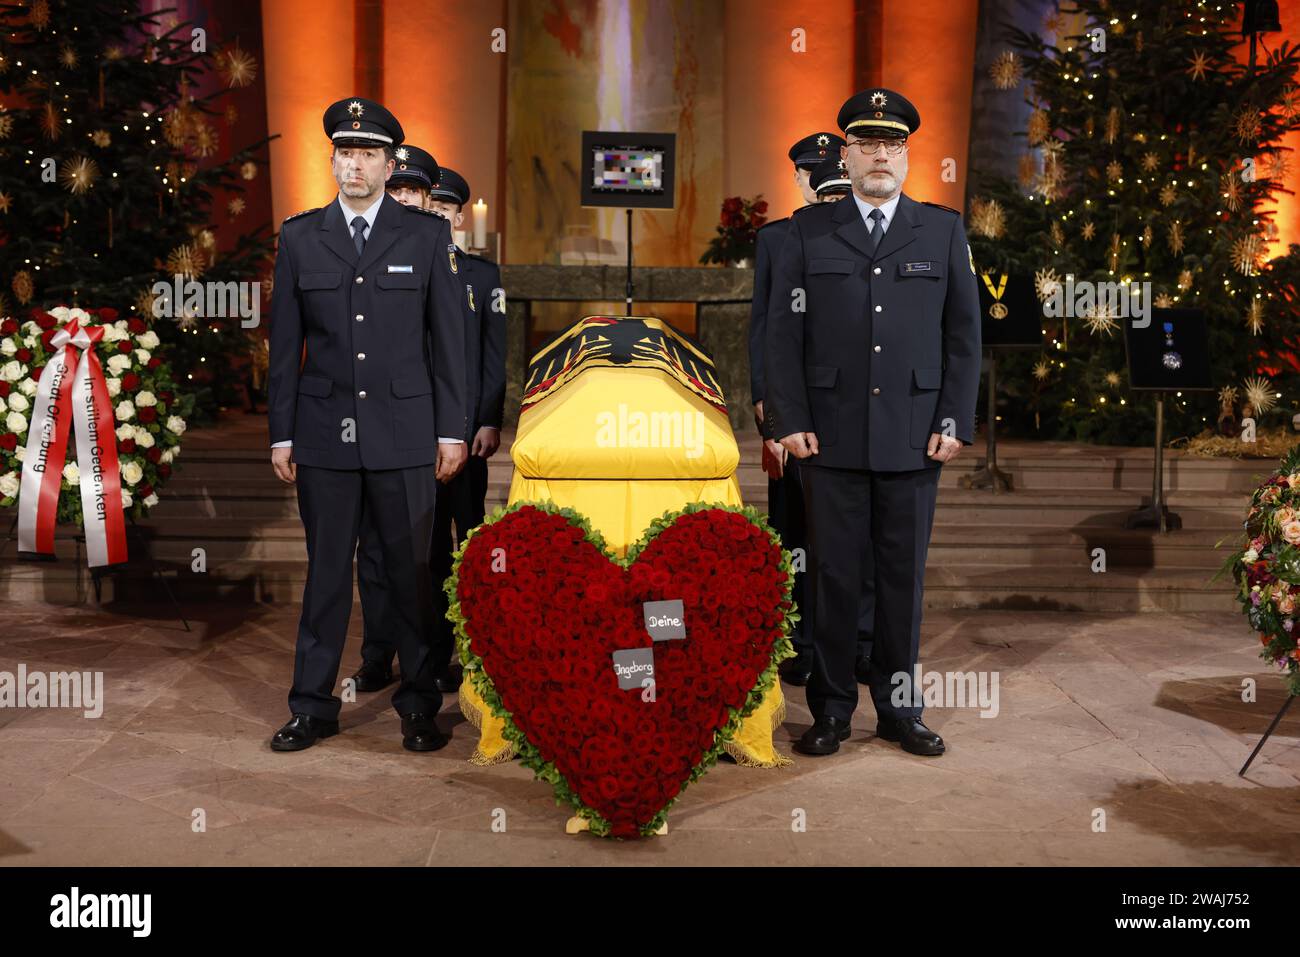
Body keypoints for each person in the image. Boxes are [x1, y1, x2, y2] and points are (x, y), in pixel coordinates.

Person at [765, 88, 981, 758]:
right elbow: (781, 334)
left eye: (893, 145)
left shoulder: (941, 230)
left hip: (915, 435)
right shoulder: (808, 233)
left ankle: (898, 709)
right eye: (868, 145)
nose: (881, 155)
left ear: (908, 157)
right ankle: (830, 709)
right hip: (827, 435)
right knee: (831, 576)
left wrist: (954, 415)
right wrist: (790, 417)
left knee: (900, 580)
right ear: (849, 156)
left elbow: (963, 336)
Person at [266, 97, 469, 753]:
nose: (355, 164)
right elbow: (285, 345)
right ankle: (312, 705)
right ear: (333, 160)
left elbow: (450, 343)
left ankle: (417, 704)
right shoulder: (300, 237)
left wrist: (452, 430)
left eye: (368, 154)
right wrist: (282, 430)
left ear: (388, 165)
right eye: (345, 152)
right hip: (323, 434)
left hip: (405, 433)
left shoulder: (426, 236)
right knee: (326, 574)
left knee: (411, 575)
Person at [348, 152, 506, 694]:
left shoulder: (480, 275)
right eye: (416, 197)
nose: (425, 209)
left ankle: (455, 651)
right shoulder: (375, 262)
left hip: (457, 432)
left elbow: (488, 358)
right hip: (396, 431)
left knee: (455, 548)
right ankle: (380, 652)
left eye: (437, 203)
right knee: (389, 548)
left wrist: (485, 420)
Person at [749, 132, 875, 688]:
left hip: (849, 408)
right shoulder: (779, 238)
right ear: (800, 179)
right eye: (809, 175)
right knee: (794, 531)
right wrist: (770, 411)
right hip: (795, 407)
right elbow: (767, 330)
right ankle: (800, 640)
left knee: (860, 537)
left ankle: (862, 642)